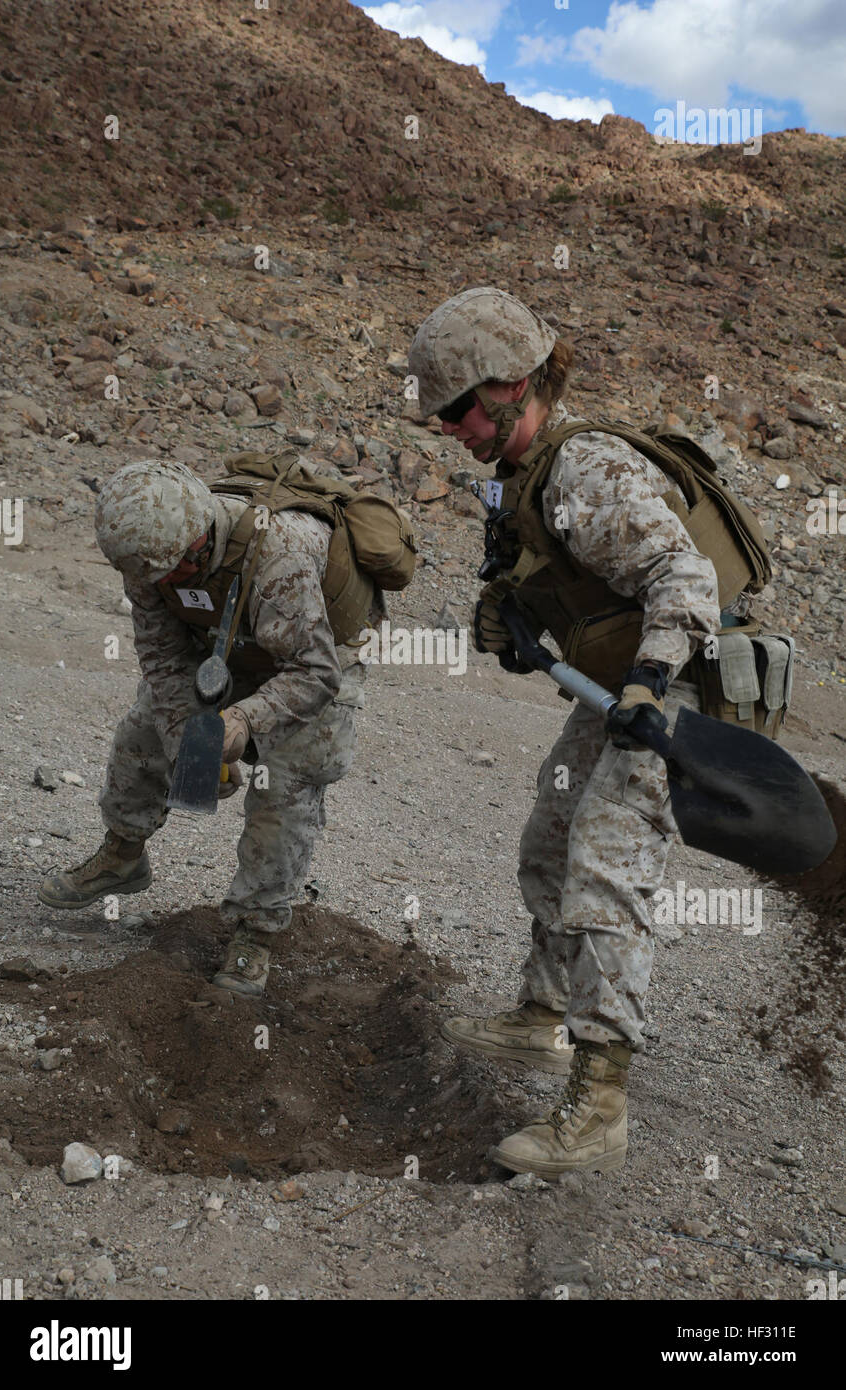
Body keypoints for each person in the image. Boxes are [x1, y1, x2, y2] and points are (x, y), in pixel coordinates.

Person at [408, 286, 767, 1177]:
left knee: (607, 859)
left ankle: (600, 1102)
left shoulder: (586, 470)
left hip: (670, 686)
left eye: (456, 409)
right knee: (551, 835)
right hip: (617, 685)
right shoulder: (522, 480)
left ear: (512, 386)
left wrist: (647, 685)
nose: (448, 429)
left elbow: (683, 579)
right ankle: (543, 1018)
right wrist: (512, 626)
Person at [38, 459, 374, 996]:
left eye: (175, 572)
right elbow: (163, 658)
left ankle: (255, 932)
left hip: (312, 662)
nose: (161, 584)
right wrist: (187, 748)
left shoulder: (280, 555)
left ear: (201, 540)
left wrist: (243, 720)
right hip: (224, 645)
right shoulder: (150, 561)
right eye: (151, 577)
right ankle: (122, 855)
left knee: (287, 780)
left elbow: (315, 673)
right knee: (146, 726)